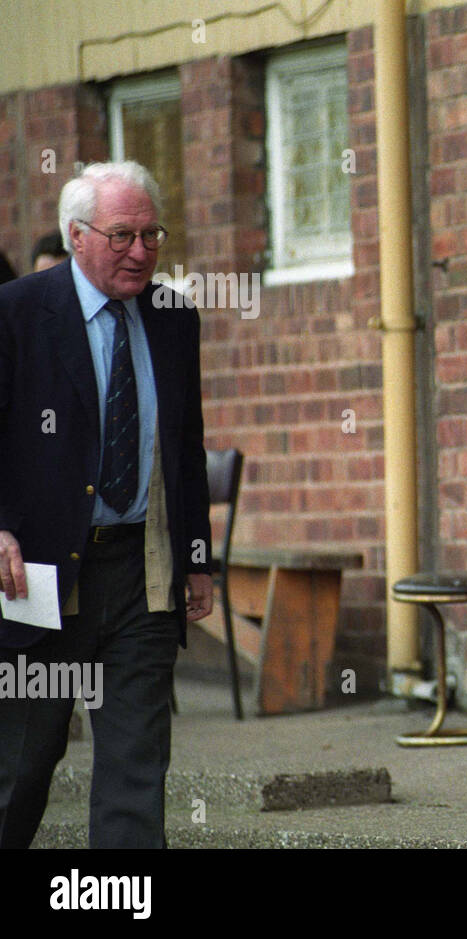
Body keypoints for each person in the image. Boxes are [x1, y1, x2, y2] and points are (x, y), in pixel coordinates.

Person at [0, 161, 212, 848]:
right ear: (76, 235)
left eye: (153, 233)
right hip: (40, 572)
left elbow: (185, 445)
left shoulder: (175, 317)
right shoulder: (19, 312)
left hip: (141, 572)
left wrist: (197, 558)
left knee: (135, 765)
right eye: (123, 235)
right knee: (24, 764)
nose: (142, 251)